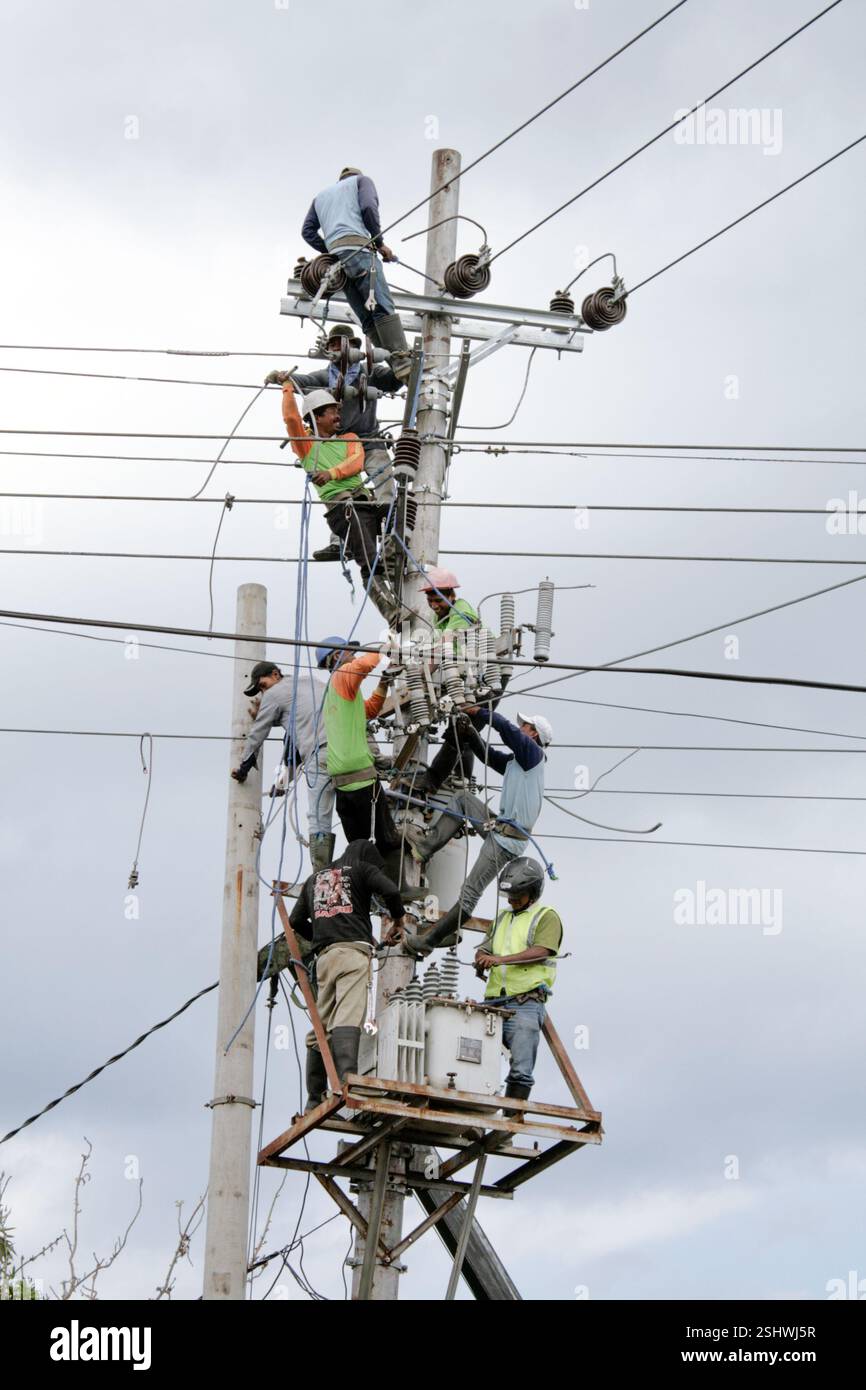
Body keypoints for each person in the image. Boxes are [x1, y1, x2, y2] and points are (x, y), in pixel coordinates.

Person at [402, 709, 553, 957]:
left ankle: (428, 941)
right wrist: (470, 732)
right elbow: (487, 755)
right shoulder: (519, 762)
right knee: (462, 799)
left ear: (533, 734)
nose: (521, 728)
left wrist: (481, 713)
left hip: (506, 841)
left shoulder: (533, 754)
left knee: (469, 893)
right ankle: (425, 847)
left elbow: (507, 730)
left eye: (525, 726)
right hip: (499, 826)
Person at [291, 839, 408, 1110]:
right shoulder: (361, 869)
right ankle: (347, 1081)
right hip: (352, 957)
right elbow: (391, 891)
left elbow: (296, 921)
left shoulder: (315, 879)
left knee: (322, 1023)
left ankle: (313, 1097)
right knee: (348, 1016)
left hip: (325, 958)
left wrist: (321, 937)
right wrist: (399, 921)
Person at [279, 380, 399, 624]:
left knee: (399, 511)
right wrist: (287, 387)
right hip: (342, 509)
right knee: (367, 559)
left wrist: (331, 473)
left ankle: (390, 559)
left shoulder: (351, 437)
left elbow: (356, 462)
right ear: (316, 417)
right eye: (332, 411)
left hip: (365, 502)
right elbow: (292, 419)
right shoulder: (306, 446)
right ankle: (392, 612)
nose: (338, 415)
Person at [286, 322, 403, 562]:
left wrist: (393, 355)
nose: (337, 350)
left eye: (342, 345)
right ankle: (340, 542)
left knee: (383, 479)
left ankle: (389, 518)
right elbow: (303, 382)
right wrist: (284, 378)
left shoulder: (370, 372)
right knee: (343, 494)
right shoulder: (325, 375)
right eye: (333, 345)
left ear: (354, 348)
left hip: (368, 441)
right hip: (341, 444)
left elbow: (395, 380)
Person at [301, 167, 411, 378]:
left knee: (367, 317)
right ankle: (403, 361)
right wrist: (378, 243)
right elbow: (369, 207)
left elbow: (307, 231)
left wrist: (332, 251)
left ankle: (396, 365)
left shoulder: (320, 197)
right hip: (360, 252)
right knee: (382, 306)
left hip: (337, 265)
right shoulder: (362, 181)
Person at [474, 858, 562, 1109]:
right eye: (509, 895)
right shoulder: (501, 918)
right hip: (494, 1002)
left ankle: (511, 1121)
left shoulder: (546, 917)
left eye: (517, 895)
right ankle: (478, 1112)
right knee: (473, 1058)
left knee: (521, 1070)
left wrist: (499, 960)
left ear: (532, 893)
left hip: (525, 1003)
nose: (511, 900)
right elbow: (483, 949)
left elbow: (542, 950)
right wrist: (481, 959)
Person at [231, 658, 335, 870]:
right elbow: (295, 736)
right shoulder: (309, 682)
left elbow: (258, 732)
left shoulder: (273, 694)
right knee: (355, 806)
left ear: (275, 675)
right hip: (346, 747)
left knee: (318, 816)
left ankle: (322, 873)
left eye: (262, 686)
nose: (263, 693)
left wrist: (244, 767)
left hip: (319, 755)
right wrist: (282, 781)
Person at [317, 636, 402, 861]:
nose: (354, 656)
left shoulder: (336, 693)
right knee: (387, 841)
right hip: (361, 780)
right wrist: (386, 647)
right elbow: (363, 665)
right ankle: (393, 892)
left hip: (343, 786)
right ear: (337, 656)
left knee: (360, 848)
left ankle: (367, 892)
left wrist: (383, 684)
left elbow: (371, 710)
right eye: (350, 652)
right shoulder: (342, 676)